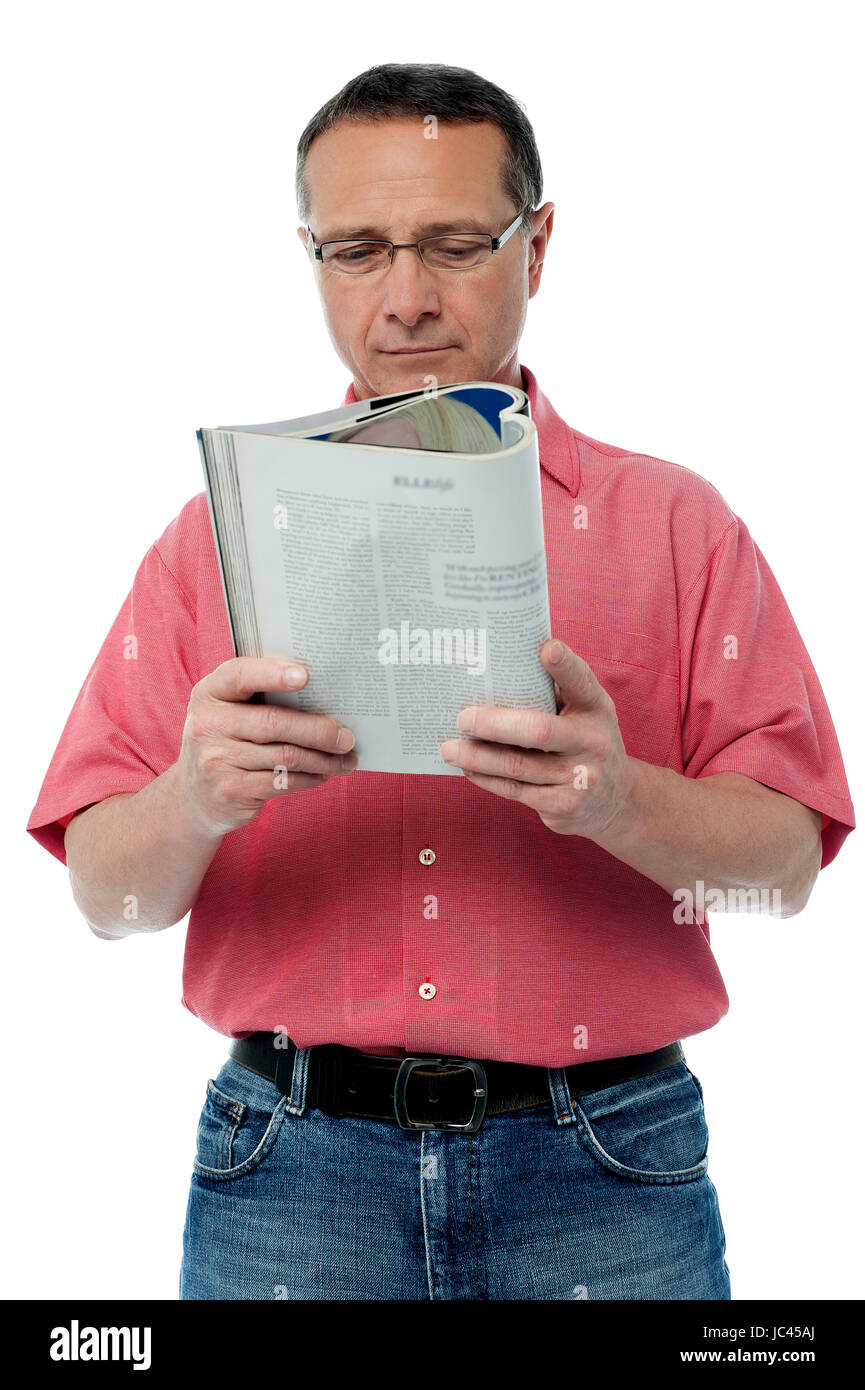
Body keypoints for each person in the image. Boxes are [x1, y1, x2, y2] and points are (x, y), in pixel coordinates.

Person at [26, 62, 855, 1302]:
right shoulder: (212, 539)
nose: (404, 299)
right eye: (356, 249)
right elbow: (106, 899)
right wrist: (195, 799)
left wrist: (615, 796)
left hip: (606, 1171)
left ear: (539, 246)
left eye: (456, 243)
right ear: (310, 256)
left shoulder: (680, 526)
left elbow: (781, 874)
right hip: (290, 1177)